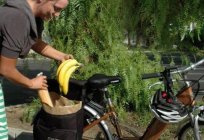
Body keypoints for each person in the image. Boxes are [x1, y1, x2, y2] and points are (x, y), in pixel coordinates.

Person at [0, 0, 72, 139]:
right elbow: (6, 69)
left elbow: (34, 42)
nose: (57, 15)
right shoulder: (18, 17)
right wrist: (32, 83)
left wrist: (61, 56)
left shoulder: (31, 16)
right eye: (56, 8)